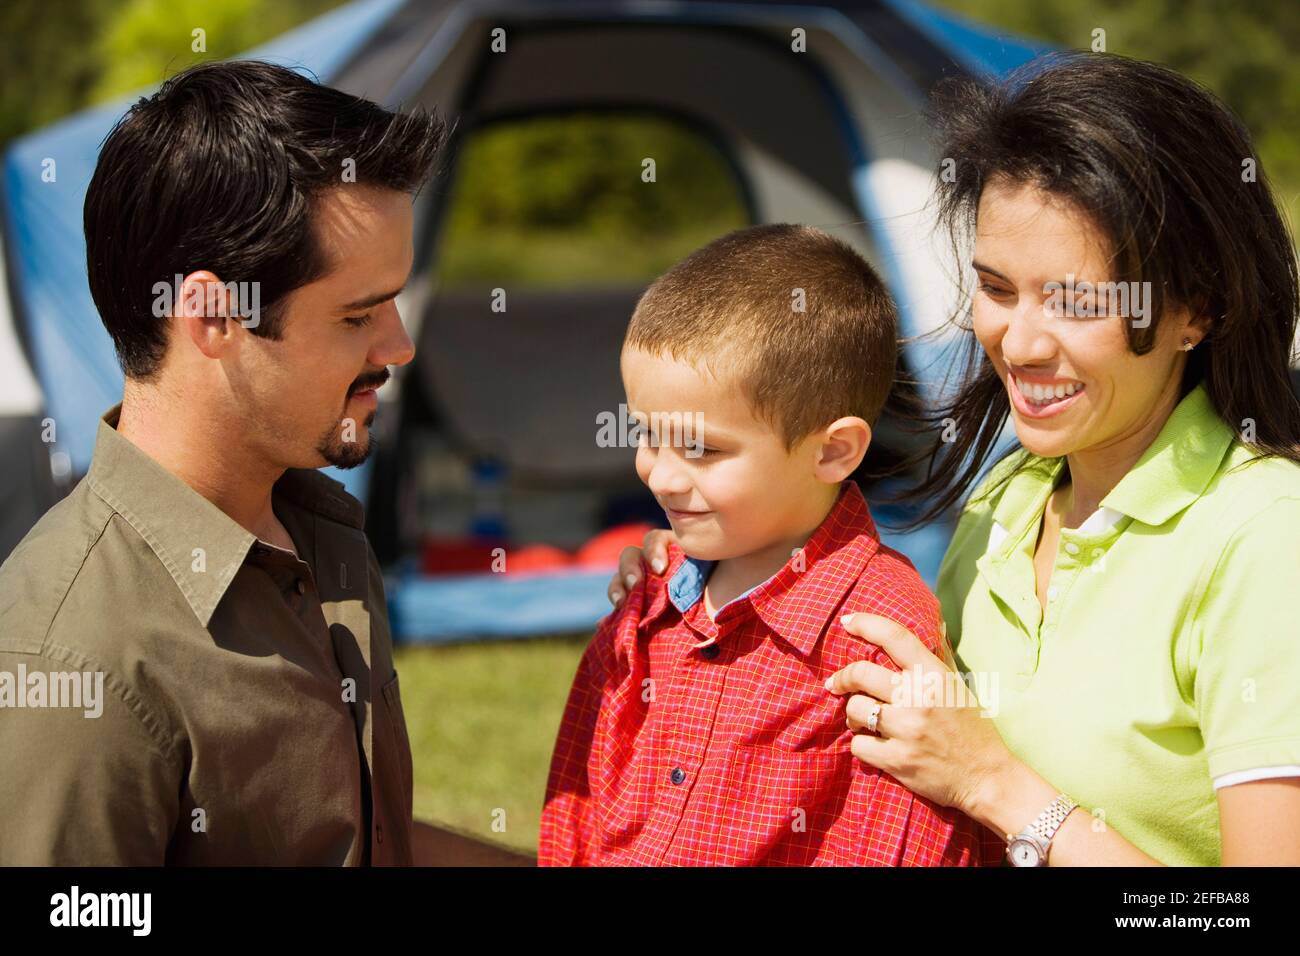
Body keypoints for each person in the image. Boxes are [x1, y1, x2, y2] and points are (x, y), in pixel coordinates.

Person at [614, 53, 1300, 866]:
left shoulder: (1266, 541)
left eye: (1077, 302)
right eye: (998, 289)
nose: (1022, 342)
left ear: (1197, 310)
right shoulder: (1007, 500)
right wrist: (714, 570)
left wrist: (997, 786)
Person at [0, 60, 525, 866]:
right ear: (212, 316)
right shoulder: (72, 660)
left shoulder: (319, 531)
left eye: (393, 301)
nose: (399, 346)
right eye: (357, 315)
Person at [541, 224, 999, 865]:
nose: (661, 475)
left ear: (833, 451)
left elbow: (901, 845)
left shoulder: (875, 636)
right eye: (645, 434)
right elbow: (583, 792)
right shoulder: (651, 592)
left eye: (701, 448)